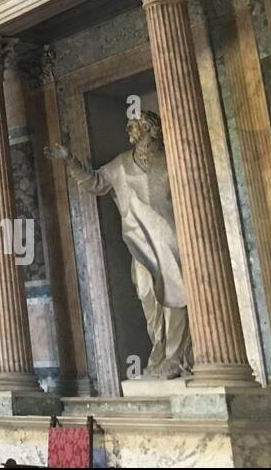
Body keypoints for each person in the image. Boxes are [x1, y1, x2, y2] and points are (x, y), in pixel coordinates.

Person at [46, 111, 192, 379]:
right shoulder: (121, 164)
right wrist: (70, 160)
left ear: (150, 129)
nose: (130, 131)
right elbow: (95, 182)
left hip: (172, 239)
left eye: (135, 126)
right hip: (139, 242)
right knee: (147, 295)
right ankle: (159, 352)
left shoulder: (172, 160)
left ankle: (175, 357)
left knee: (176, 296)